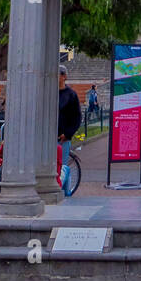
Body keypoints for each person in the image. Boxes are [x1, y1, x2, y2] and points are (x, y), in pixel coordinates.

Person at [58, 66, 82, 195]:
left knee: (63, 166)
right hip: (50, 136)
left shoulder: (71, 95)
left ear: (64, 76)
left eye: (59, 74)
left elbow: (77, 117)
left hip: (62, 137)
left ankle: (65, 191)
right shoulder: (50, 93)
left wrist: (67, 134)